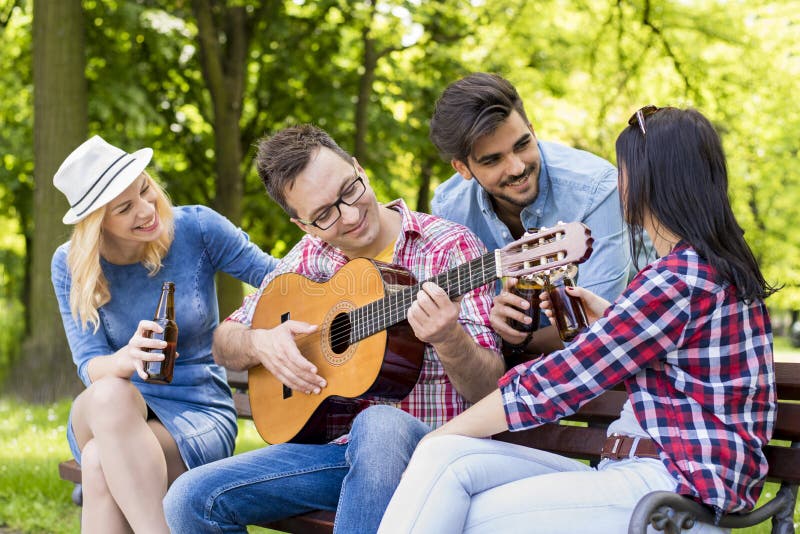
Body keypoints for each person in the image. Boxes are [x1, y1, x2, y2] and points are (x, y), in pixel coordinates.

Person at [378, 106, 777, 533]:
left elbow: (558, 382)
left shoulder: (679, 278)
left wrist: (433, 437)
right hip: (638, 473)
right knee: (446, 464)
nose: (618, 182)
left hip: (671, 487)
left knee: (450, 499)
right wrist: (609, 319)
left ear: (648, 180)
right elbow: (681, 355)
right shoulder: (696, 271)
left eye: (623, 170)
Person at [163, 124, 503, 533]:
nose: (351, 215)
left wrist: (450, 338)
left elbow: (489, 390)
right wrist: (260, 341)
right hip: (339, 457)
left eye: (351, 189)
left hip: (437, 451)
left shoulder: (448, 247)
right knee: (189, 498)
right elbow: (225, 342)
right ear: (302, 225)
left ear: (358, 167)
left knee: (378, 423)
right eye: (324, 214)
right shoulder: (312, 256)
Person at [51, 135, 278, 533]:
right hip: (110, 414)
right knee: (109, 393)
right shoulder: (70, 265)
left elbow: (279, 278)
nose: (146, 210)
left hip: (198, 411)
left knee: (99, 464)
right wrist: (125, 359)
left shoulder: (197, 229)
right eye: (124, 208)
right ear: (97, 224)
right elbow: (88, 365)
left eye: (145, 190)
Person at [430, 72, 632, 356]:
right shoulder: (448, 208)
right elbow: (455, 321)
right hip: (499, 372)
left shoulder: (597, 190)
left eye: (522, 145)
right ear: (462, 168)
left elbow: (599, 330)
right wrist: (488, 323)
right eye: (492, 160)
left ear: (533, 131)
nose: (516, 167)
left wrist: (510, 342)